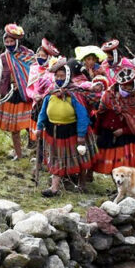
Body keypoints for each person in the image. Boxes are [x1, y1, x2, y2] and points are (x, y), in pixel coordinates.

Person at [35, 60, 93, 197]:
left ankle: (82, 182)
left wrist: (80, 135)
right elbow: (43, 112)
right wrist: (39, 126)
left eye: (62, 76)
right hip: (54, 131)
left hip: (72, 131)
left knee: (80, 158)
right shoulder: (51, 93)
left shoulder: (74, 93)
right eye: (57, 76)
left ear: (68, 76)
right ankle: (54, 188)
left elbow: (83, 115)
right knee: (56, 158)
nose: (59, 79)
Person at [0, 24, 37, 161]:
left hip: (25, 95)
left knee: (30, 125)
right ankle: (19, 155)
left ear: (17, 41)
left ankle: (38, 152)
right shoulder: (3, 57)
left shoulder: (28, 55)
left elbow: (34, 73)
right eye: (7, 42)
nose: (9, 44)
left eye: (11, 41)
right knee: (14, 128)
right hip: (9, 96)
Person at [93, 67, 135, 176]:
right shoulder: (108, 95)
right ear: (119, 85)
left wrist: (124, 130)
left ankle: (126, 189)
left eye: (129, 86)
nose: (126, 89)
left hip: (128, 136)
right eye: (123, 86)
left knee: (125, 168)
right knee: (111, 166)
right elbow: (101, 114)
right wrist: (96, 132)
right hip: (108, 133)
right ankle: (116, 188)